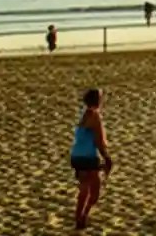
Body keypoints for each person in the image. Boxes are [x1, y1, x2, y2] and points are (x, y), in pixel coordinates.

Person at [70, 88, 113, 230]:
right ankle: (83, 216)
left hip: (76, 156)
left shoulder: (83, 115)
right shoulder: (95, 116)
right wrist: (107, 159)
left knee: (84, 187)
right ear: (98, 100)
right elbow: (99, 142)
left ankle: (79, 218)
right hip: (88, 156)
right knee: (94, 192)